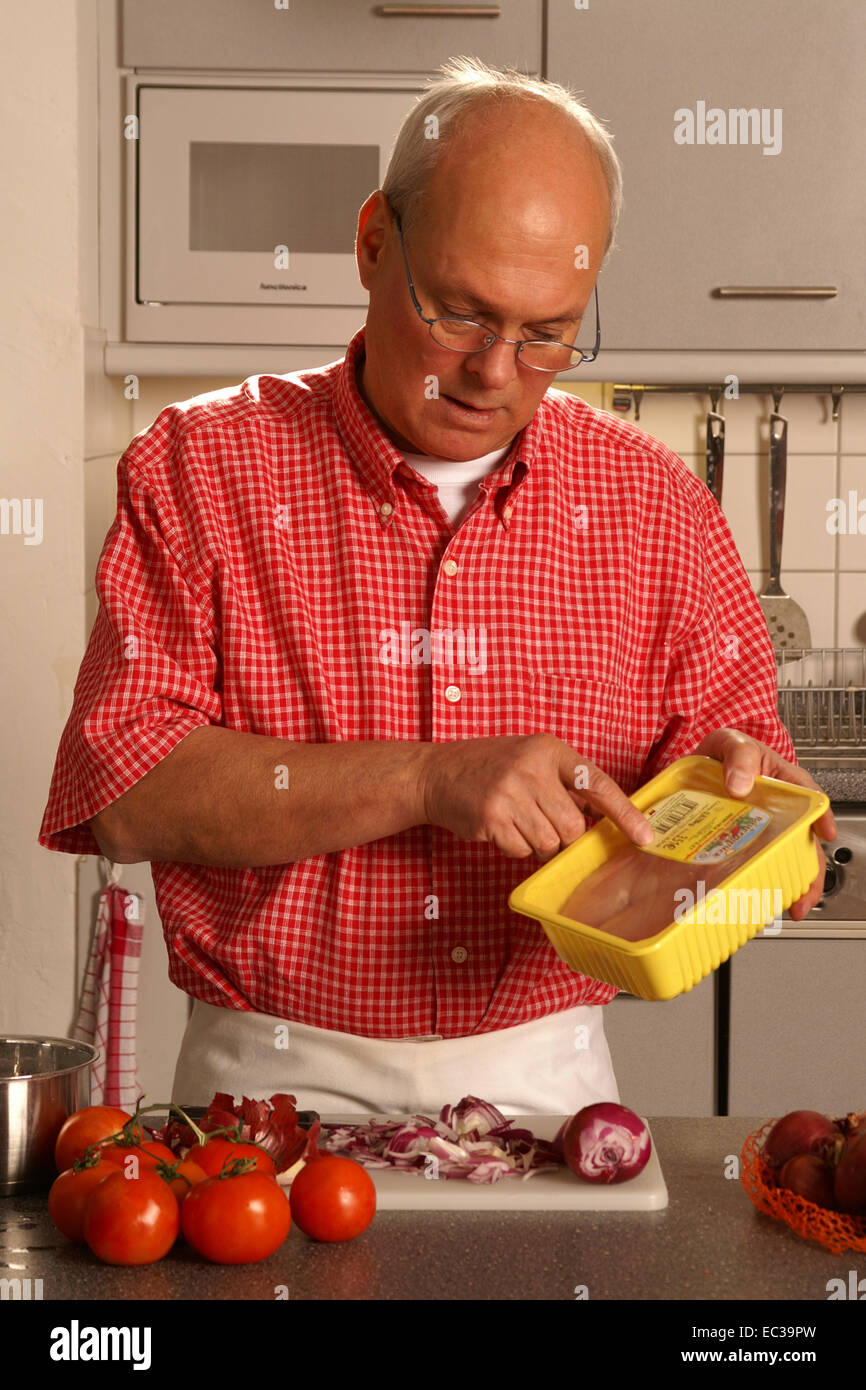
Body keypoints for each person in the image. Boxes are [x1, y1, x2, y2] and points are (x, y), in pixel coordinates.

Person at [39, 58, 834, 1119]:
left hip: (549, 1088)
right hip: (262, 1090)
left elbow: (752, 797)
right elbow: (125, 792)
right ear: (373, 243)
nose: (494, 370)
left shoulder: (656, 503)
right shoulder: (199, 465)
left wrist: (756, 816)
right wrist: (426, 780)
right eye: (458, 311)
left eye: (548, 331)